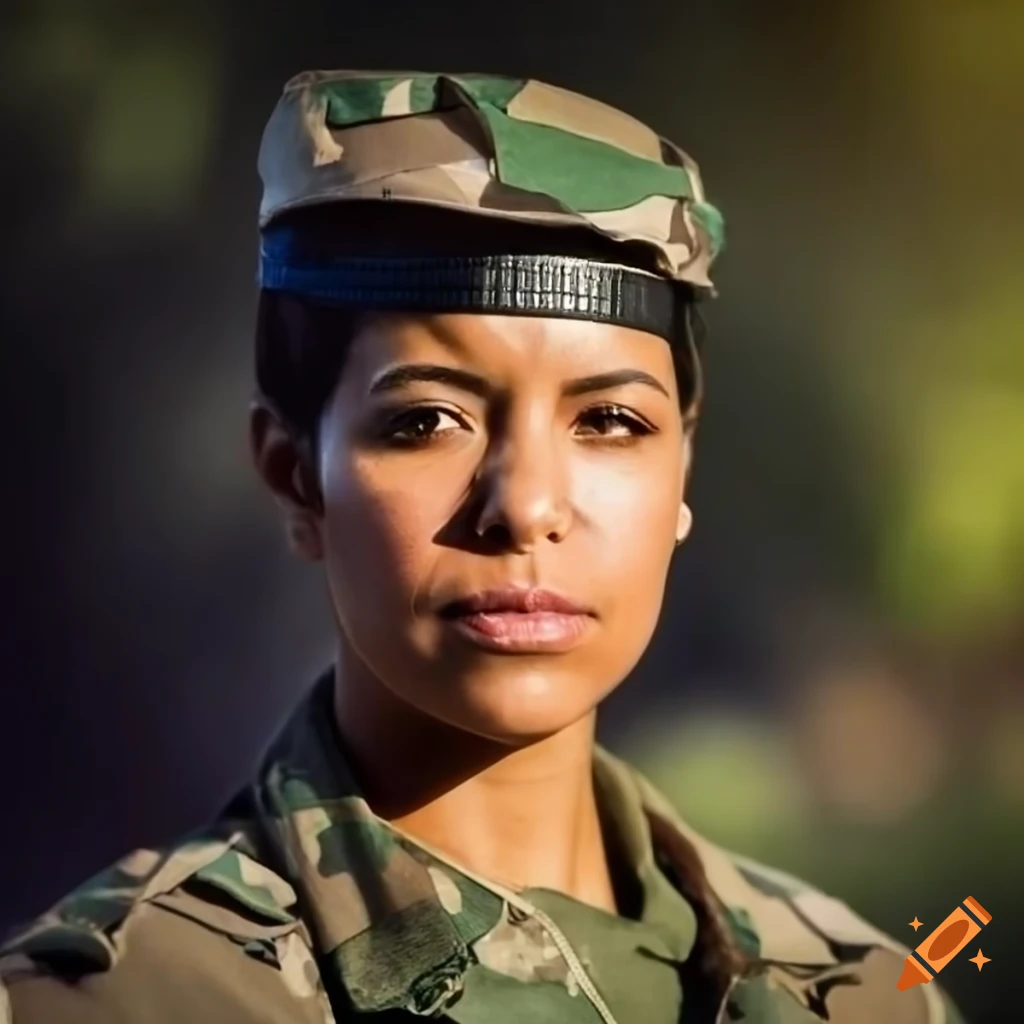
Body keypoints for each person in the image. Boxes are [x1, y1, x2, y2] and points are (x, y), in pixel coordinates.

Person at [0, 70, 964, 1024]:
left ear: (682, 473)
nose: (527, 504)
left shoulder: (869, 991)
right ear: (297, 475)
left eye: (613, 421)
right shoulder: (105, 1003)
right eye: (426, 420)